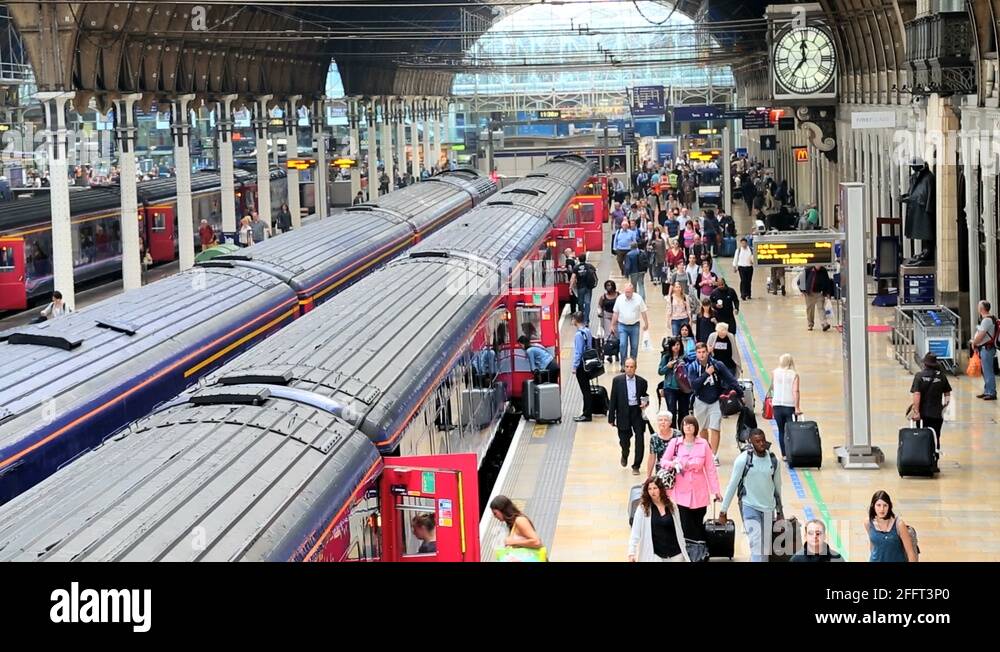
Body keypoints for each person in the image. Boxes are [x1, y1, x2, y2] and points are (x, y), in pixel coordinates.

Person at [718, 428, 783, 562]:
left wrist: (779, 510)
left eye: (763, 441)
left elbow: (777, 487)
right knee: (757, 547)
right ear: (751, 443)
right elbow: (732, 485)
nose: (761, 444)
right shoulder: (743, 460)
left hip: (768, 509)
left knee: (764, 550)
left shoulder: (773, 460)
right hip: (750, 507)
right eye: (757, 441)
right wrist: (723, 511)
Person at [662, 414, 722, 544]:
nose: (687, 427)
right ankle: (688, 550)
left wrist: (716, 491)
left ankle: (699, 550)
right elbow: (663, 461)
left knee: (698, 521)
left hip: (699, 490)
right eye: (685, 424)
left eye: (690, 424)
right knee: (685, 523)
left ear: (695, 427)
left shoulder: (704, 444)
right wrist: (673, 464)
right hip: (681, 489)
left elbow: (710, 468)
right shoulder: (675, 443)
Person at [688, 342, 741, 465]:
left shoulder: (717, 365)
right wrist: (707, 373)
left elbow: (730, 379)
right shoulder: (693, 367)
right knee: (702, 429)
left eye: (703, 352)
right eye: (699, 352)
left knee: (715, 427)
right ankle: (705, 452)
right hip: (700, 400)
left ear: (708, 352)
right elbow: (694, 385)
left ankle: (714, 454)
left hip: (715, 400)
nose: (701, 355)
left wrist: (740, 393)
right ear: (696, 354)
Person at [628, 475, 690, 562]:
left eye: (655, 488)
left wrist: (683, 544)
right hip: (655, 555)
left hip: (676, 553)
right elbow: (635, 532)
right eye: (649, 489)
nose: (652, 492)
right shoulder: (643, 508)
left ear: (660, 489)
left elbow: (679, 528)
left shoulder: (671, 505)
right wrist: (632, 553)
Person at [608, 358, 649, 475]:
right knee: (624, 440)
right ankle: (624, 453)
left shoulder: (642, 382)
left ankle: (636, 465)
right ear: (624, 367)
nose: (629, 369)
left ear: (635, 368)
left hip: (636, 412)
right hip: (623, 412)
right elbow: (613, 399)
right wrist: (611, 417)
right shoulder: (617, 381)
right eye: (627, 366)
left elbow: (645, 396)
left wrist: (645, 403)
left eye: (631, 367)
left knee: (640, 438)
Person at [910, 352, 952, 453]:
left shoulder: (919, 376)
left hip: (923, 414)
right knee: (935, 436)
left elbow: (917, 395)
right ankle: (935, 459)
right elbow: (947, 394)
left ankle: (924, 459)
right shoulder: (942, 376)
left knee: (922, 436)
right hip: (937, 414)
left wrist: (916, 412)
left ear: (924, 364)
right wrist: (944, 407)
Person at [865, 490, 918, 562]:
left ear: (889, 506)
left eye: (885, 505)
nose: (882, 509)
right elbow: (873, 545)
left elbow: (910, 553)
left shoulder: (899, 525)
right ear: (873, 506)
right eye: (878, 505)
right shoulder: (868, 523)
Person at [609, 282, 649, 371]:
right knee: (623, 344)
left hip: (635, 326)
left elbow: (643, 311)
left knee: (634, 346)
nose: (627, 294)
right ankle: (624, 364)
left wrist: (646, 323)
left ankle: (633, 364)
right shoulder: (619, 299)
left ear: (633, 291)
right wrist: (612, 325)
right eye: (626, 292)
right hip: (622, 325)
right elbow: (615, 313)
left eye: (629, 292)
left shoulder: (638, 298)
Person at [659, 337, 691, 426]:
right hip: (670, 388)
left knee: (684, 412)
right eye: (673, 345)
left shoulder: (685, 357)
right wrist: (667, 367)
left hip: (683, 388)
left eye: (678, 344)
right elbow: (660, 371)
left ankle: (682, 433)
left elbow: (690, 370)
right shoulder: (666, 357)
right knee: (671, 412)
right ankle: (673, 434)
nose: (676, 347)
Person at [971, 300, 998, 400]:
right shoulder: (990, 319)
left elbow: (981, 335)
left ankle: (991, 393)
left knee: (988, 371)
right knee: (986, 371)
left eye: (978, 306)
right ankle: (987, 390)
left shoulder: (986, 320)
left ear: (981, 308)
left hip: (987, 349)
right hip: (986, 348)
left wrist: (974, 343)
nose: (977, 308)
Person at [570, 311, 594, 423]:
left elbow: (578, 352)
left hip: (581, 365)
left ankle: (587, 414)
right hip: (588, 363)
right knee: (587, 389)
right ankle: (587, 412)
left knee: (585, 390)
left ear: (575, 320)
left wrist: (574, 366)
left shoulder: (578, 335)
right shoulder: (587, 331)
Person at [799, 264, 835, 331]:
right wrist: (803, 290)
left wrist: (828, 293)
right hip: (809, 294)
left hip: (820, 293)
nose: (819, 266)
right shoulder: (808, 270)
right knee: (810, 310)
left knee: (821, 308)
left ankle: (824, 323)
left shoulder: (823, 270)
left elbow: (827, 282)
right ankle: (810, 324)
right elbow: (800, 280)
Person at [646, 410, 679, 477]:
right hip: (661, 470)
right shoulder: (654, 438)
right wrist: (648, 476)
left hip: (676, 468)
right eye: (660, 420)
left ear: (670, 422)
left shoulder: (678, 435)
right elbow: (652, 457)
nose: (663, 422)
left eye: (666, 420)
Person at [570, 252, 597, 326]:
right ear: (585, 259)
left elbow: (573, 278)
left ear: (578, 259)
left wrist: (570, 287)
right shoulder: (590, 266)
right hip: (589, 288)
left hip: (580, 288)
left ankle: (581, 319)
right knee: (587, 304)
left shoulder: (576, 267)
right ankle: (586, 320)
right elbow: (595, 275)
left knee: (580, 304)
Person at [597, 280, 620, 364]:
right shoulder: (603, 297)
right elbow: (599, 306)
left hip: (616, 316)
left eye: (610, 285)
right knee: (608, 335)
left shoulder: (618, 295)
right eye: (607, 286)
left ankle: (617, 353)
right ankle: (609, 354)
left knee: (617, 335)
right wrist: (599, 313)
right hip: (607, 316)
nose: (608, 287)